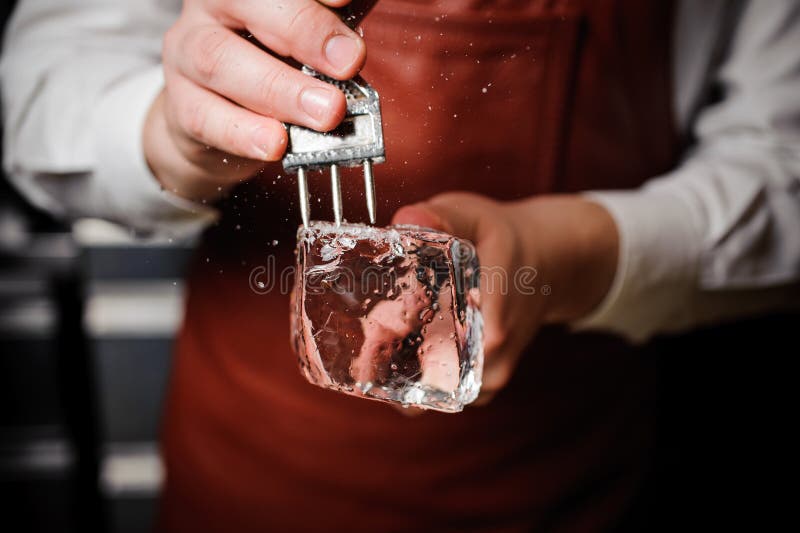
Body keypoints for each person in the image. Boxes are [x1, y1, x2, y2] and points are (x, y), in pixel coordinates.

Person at [2, 0, 799, 530]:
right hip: (254, 473)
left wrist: (573, 255)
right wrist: (175, 133)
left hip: (577, 477)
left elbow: (782, 163)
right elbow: (40, 86)